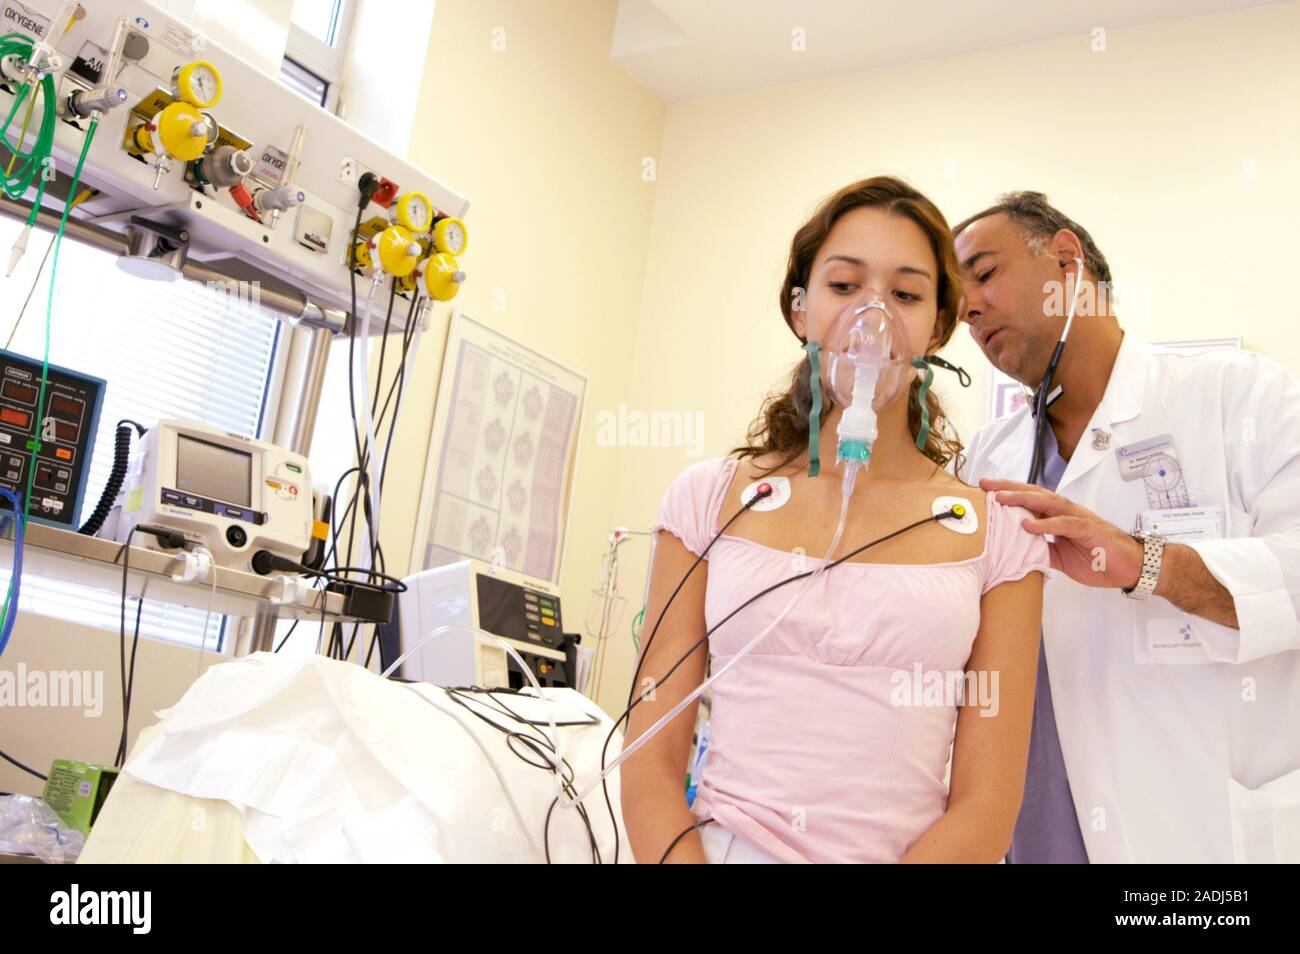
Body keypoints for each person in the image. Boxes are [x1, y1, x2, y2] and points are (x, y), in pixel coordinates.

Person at [620, 176, 1050, 863]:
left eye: (906, 295)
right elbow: (649, 760)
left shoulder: (999, 539)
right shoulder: (706, 502)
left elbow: (988, 804)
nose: (870, 317)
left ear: (939, 326)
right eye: (844, 286)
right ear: (800, 309)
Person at [954, 192, 1300, 863]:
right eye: (956, 294)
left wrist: (1146, 561)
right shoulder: (983, 460)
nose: (967, 308)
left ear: (1066, 260)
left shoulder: (1239, 397)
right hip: (1030, 838)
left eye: (984, 274)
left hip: (1190, 841)